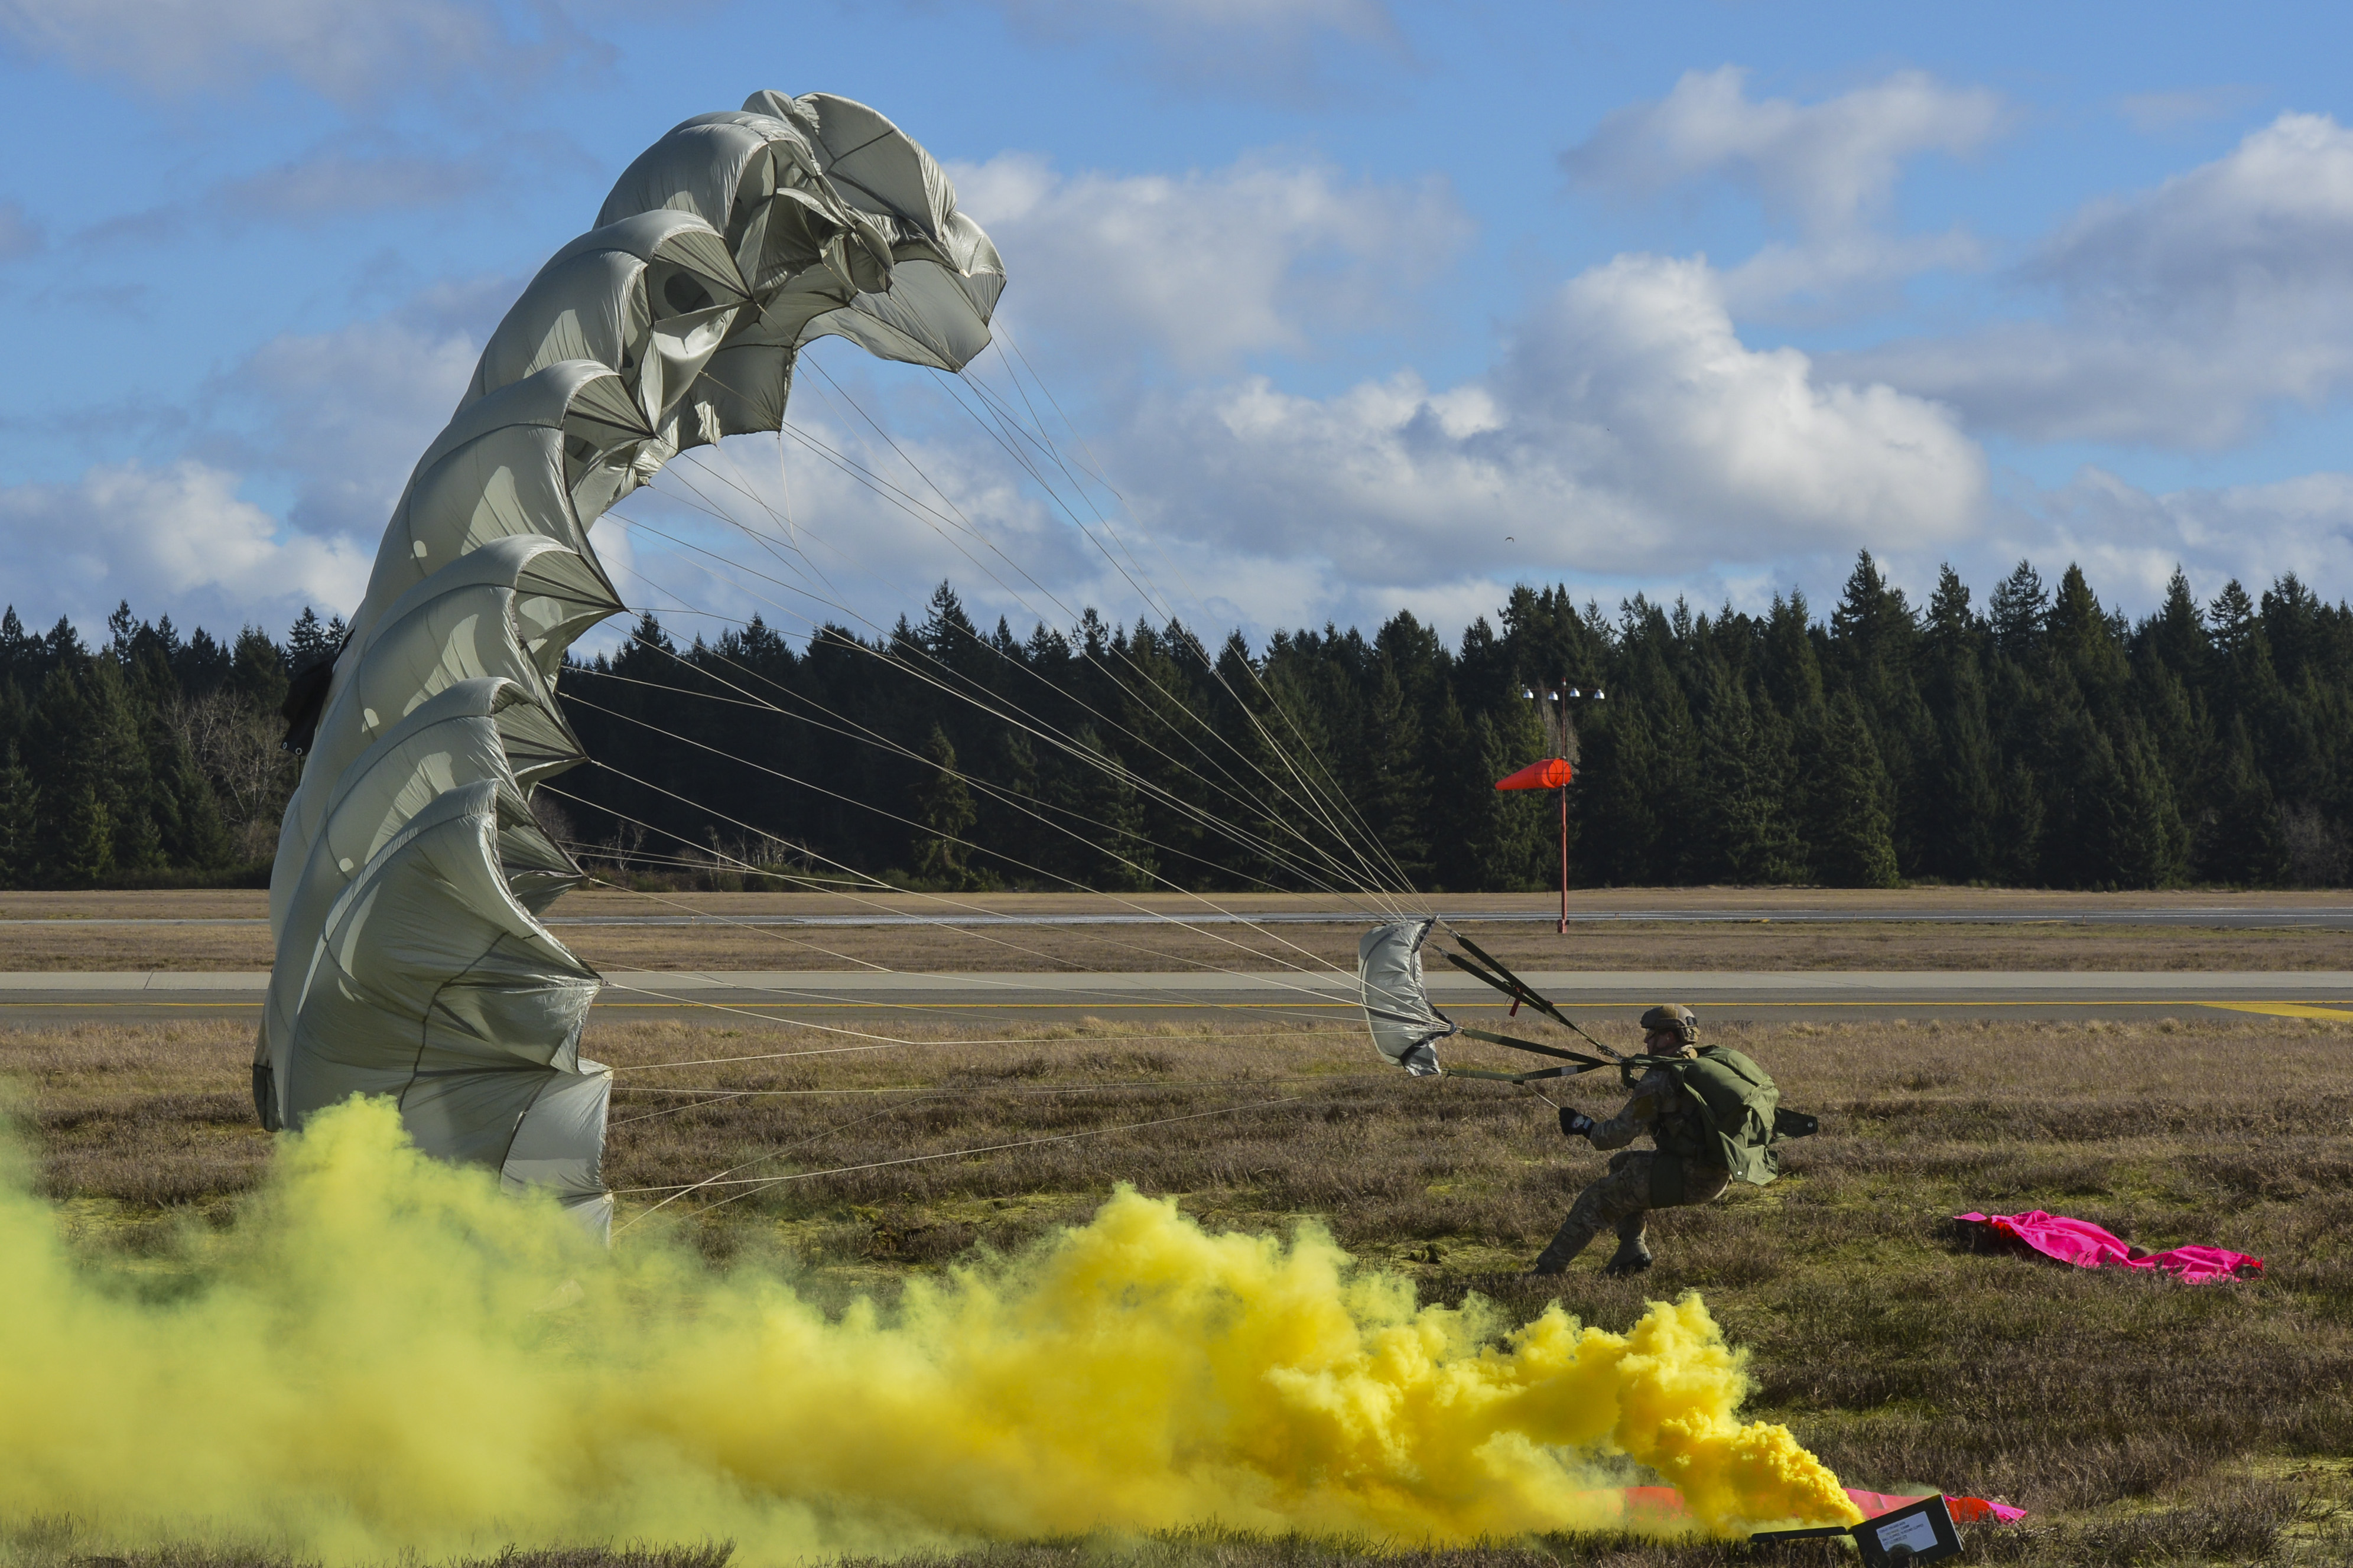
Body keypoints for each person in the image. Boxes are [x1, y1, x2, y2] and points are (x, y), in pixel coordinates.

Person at [1529, 1003, 1783, 1277]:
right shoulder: (1701, 1062)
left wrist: (1583, 1125)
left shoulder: (1660, 1078)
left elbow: (1615, 1136)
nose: (1645, 1040)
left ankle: (1547, 1272)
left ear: (1669, 1037)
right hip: (1716, 1172)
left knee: (1596, 1198)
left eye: (1651, 1033)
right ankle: (1631, 1250)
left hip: (1692, 1176)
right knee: (1622, 1165)